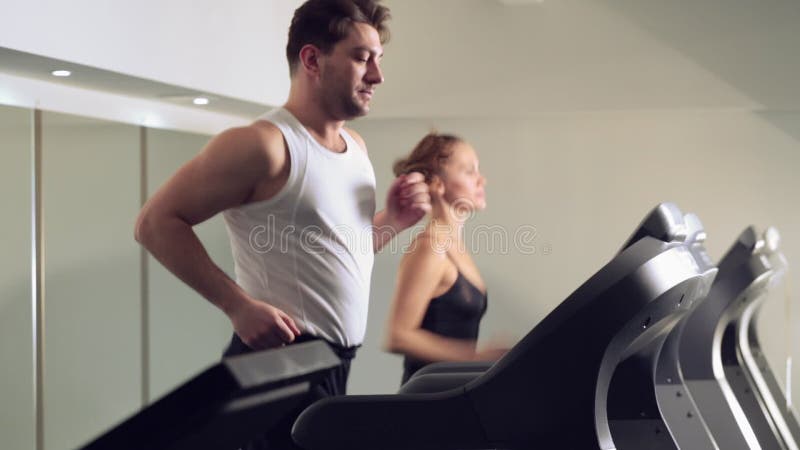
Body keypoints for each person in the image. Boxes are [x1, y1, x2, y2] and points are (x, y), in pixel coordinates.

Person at [134, 0, 430, 448]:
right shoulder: (264, 145)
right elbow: (154, 223)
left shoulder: (356, 148)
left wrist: (395, 220)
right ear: (312, 59)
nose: (377, 76)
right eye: (361, 57)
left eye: (378, 60)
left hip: (334, 365)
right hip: (281, 364)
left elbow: (342, 253)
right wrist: (237, 305)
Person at [384, 132, 507, 385]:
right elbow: (398, 335)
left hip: (455, 392)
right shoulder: (430, 248)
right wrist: (477, 357)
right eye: (469, 171)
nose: (481, 179)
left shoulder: (455, 248)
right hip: (427, 400)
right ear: (438, 184)